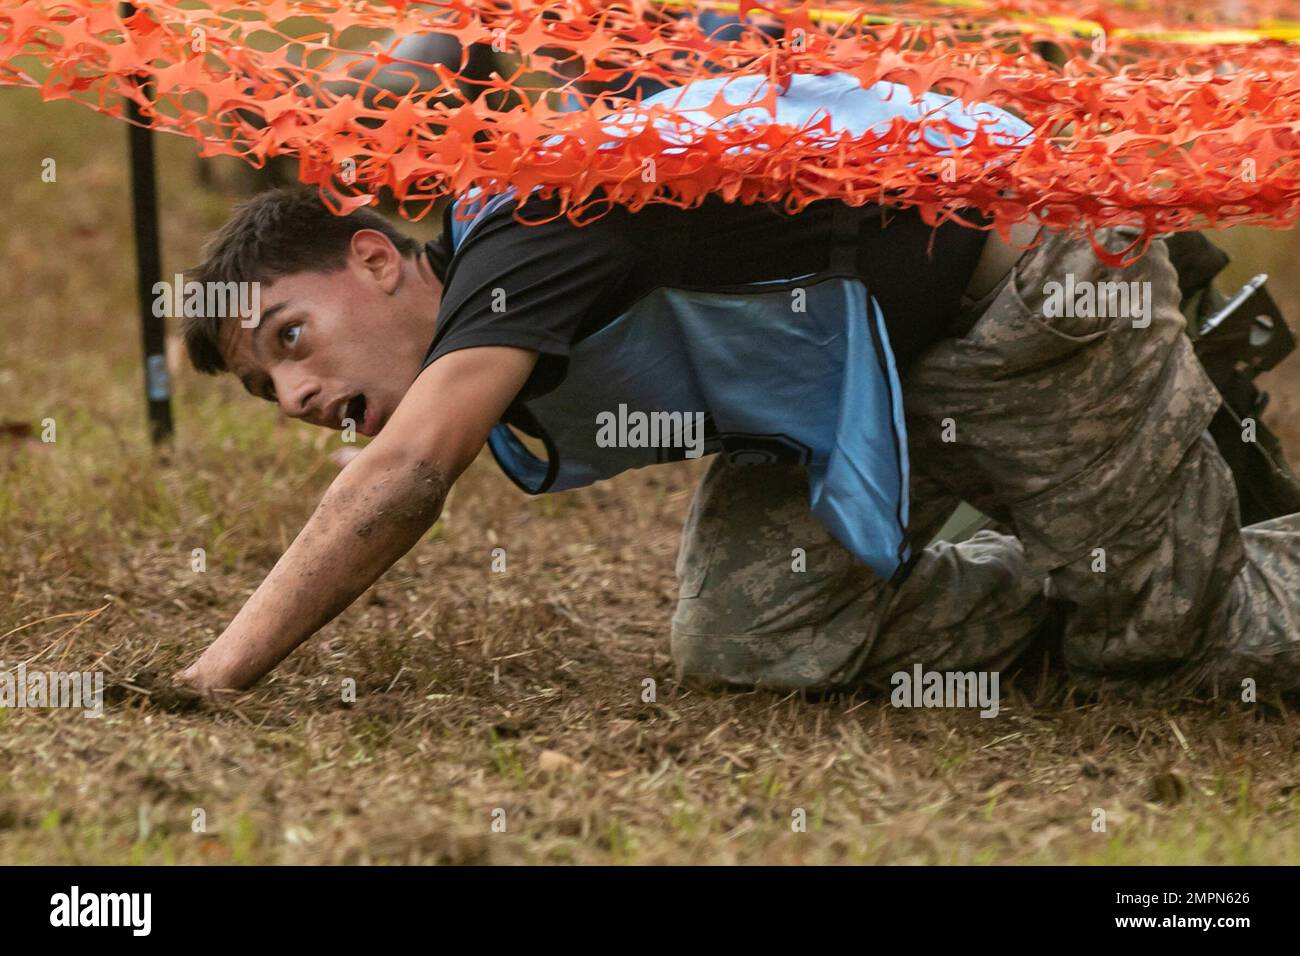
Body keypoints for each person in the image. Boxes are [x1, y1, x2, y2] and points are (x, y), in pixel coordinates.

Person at [174, 73, 1300, 701]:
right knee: (751, 633)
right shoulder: (499, 287)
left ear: (375, 257)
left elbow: (408, 473)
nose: (300, 392)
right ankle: (1103, 561)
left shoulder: (526, 225)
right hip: (868, 375)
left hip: (1029, 295)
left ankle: (1165, 568)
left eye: (291, 335)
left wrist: (218, 671)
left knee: (1175, 652)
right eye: (270, 388)